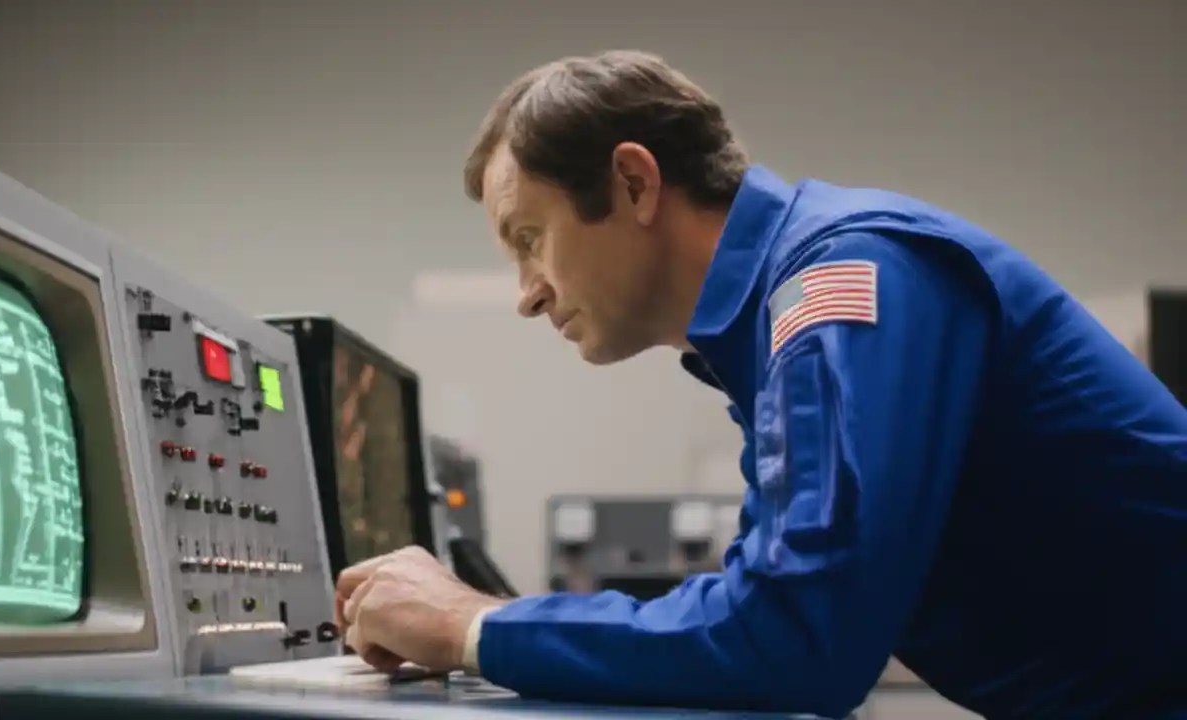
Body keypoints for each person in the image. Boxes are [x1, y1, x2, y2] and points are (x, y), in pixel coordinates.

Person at [333, 50, 1187, 718]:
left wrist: (468, 627)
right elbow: (774, 612)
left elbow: (795, 636)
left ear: (634, 183)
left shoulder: (839, 284)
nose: (527, 293)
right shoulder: (781, 321)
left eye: (531, 237)